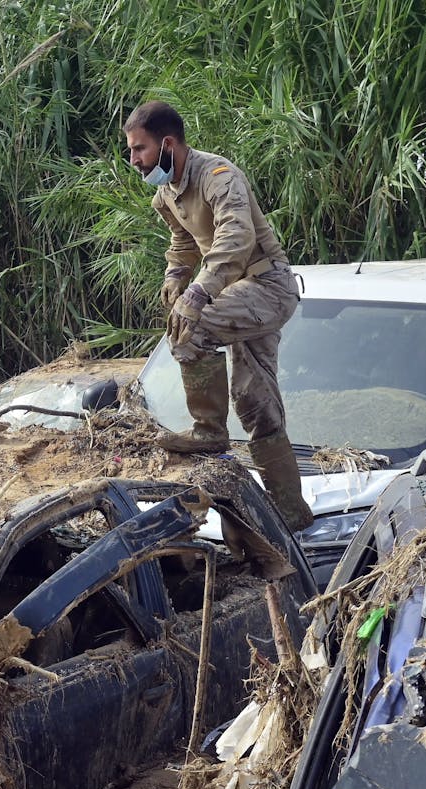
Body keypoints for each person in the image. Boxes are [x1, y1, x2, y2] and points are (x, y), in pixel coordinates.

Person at [123, 100, 314, 532]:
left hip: (267, 286)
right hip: (237, 292)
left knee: (190, 329)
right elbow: (182, 239)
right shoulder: (166, 194)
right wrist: (176, 274)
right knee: (257, 405)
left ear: (167, 143)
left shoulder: (217, 176)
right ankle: (293, 516)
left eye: (140, 149)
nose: (134, 160)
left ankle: (207, 429)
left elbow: (236, 234)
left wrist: (197, 292)